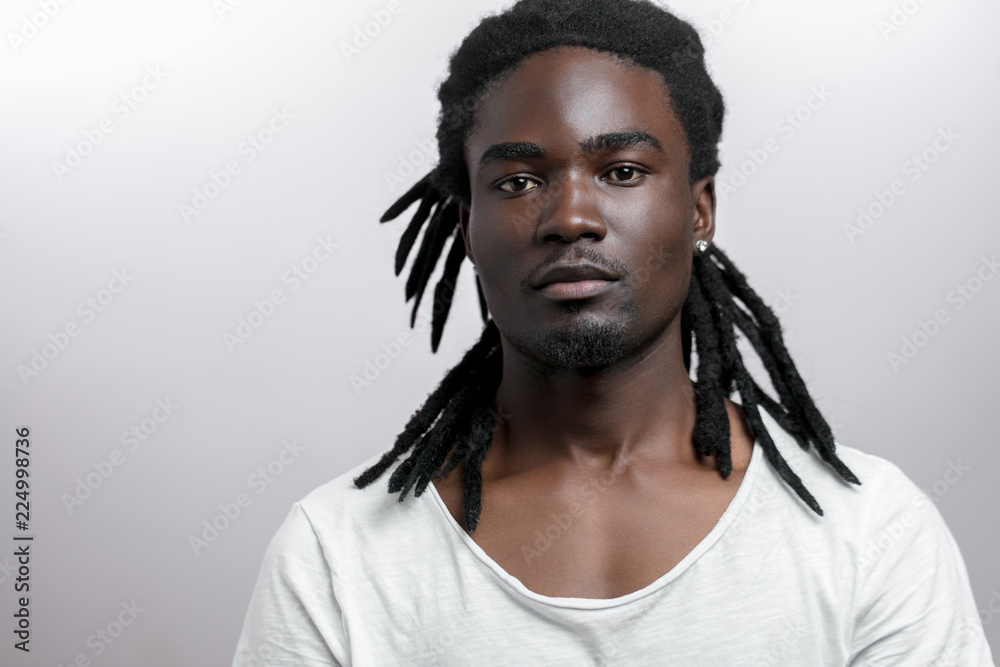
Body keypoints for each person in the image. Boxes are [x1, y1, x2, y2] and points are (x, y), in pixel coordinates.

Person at [232, 0, 995, 664]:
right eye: (519, 181)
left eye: (623, 170)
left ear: (700, 209)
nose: (570, 217)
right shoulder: (336, 556)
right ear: (466, 223)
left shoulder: (869, 536)